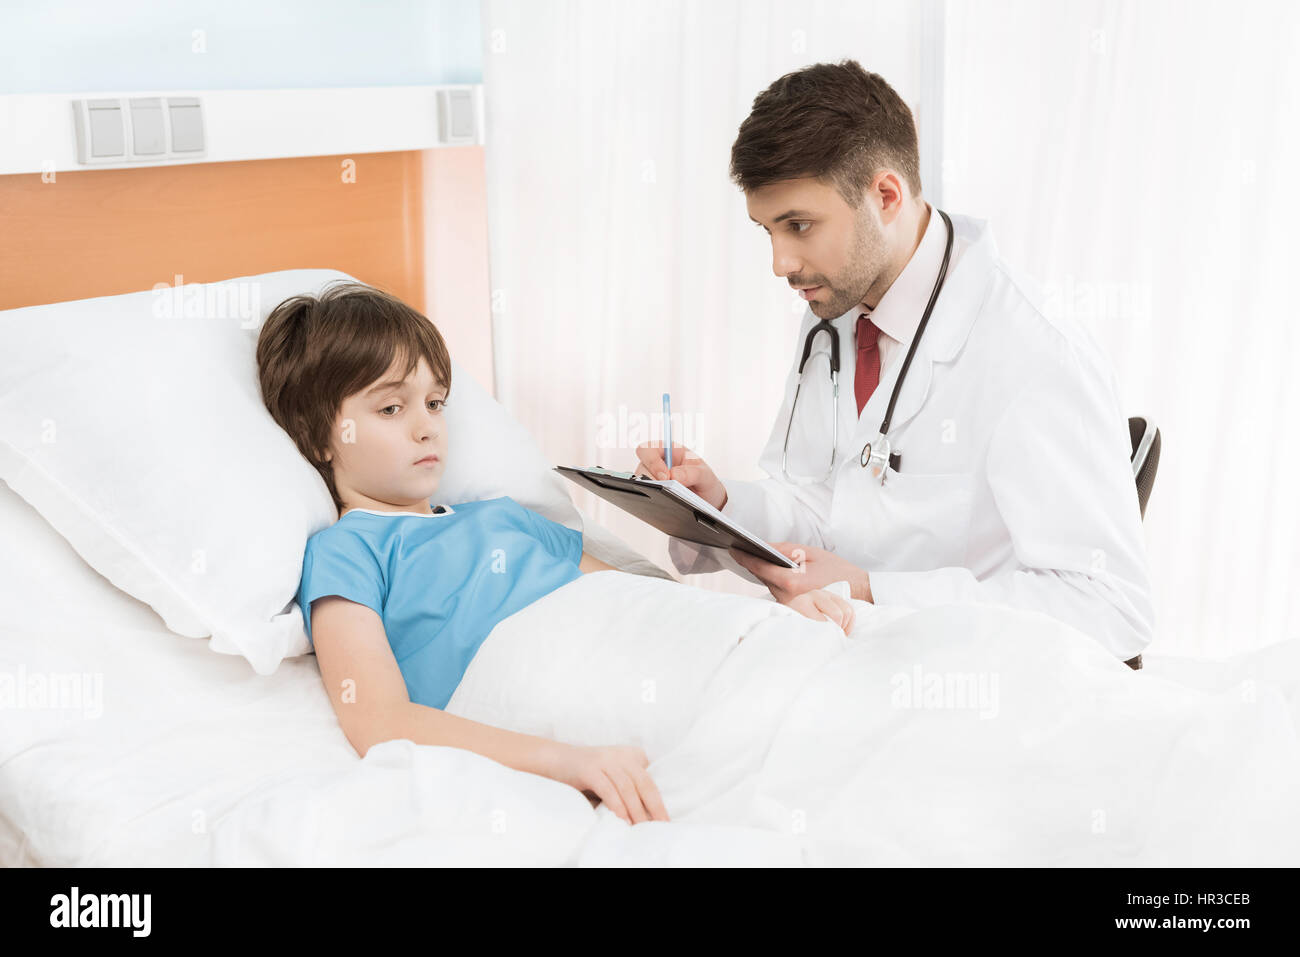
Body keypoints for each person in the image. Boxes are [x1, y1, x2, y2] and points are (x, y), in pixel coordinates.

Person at [255, 281, 854, 825]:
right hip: (525, 675)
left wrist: (761, 622)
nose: (426, 427)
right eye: (391, 408)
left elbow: (637, 601)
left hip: (622, 635)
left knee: (809, 677)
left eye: (435, 403)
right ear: (316, 436)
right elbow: (378, 721)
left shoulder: (503, 515)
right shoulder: (345, 551)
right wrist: (566, 762)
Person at [635, 60, 1154, 663]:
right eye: (767, 231)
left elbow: (1111, 607)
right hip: (853, 662)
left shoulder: (1035, 353)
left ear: (885, 195)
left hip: (979, 692)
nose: (781, 262)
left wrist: (872, 592)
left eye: (798, 225)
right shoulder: (835, 311)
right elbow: (823, 504)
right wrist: (722, 505)